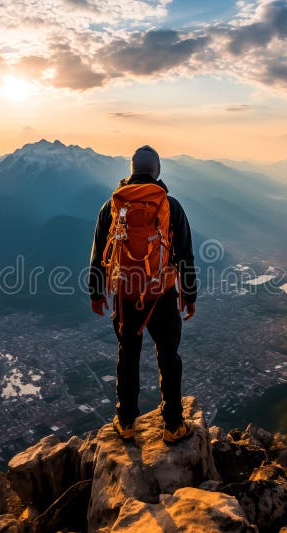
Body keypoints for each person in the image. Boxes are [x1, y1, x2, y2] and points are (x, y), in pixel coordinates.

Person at [88, 145, 197, 444]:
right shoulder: (170, 206)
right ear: (157, 170)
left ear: (131, 168)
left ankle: (126, 423)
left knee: (128, 354)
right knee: (168, 356)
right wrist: (189, 295)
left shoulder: (112, 206)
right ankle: (173, 425)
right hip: (161, 292)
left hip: (125, 294)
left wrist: (96, 293)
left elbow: (99, 253)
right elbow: (185, 254)